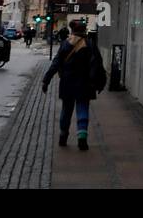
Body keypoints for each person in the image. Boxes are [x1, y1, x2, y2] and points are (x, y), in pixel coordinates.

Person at [42, 20, 101, 151]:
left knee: (66, 110)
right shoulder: (90, 45)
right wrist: (99, 83)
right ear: (84, 30)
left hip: (67, 83)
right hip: (85, 83)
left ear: (72, 31)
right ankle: (82, 137)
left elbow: (55, 64)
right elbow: (97, 65)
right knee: (82, 108)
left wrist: (46, 80)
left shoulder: (65, 45)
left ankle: (63, 135)